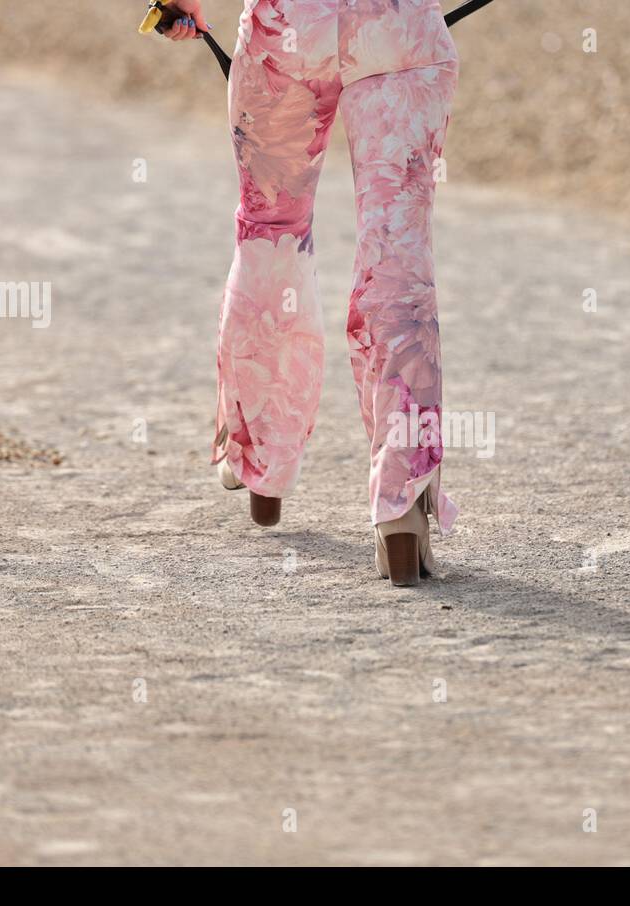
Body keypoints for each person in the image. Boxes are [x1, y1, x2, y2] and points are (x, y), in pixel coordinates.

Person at [163, 0, 460, 587]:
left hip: (290, 29)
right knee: (397, 254)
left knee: (271, 233)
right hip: (398, 32)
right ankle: (399, 512)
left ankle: (261, 463)